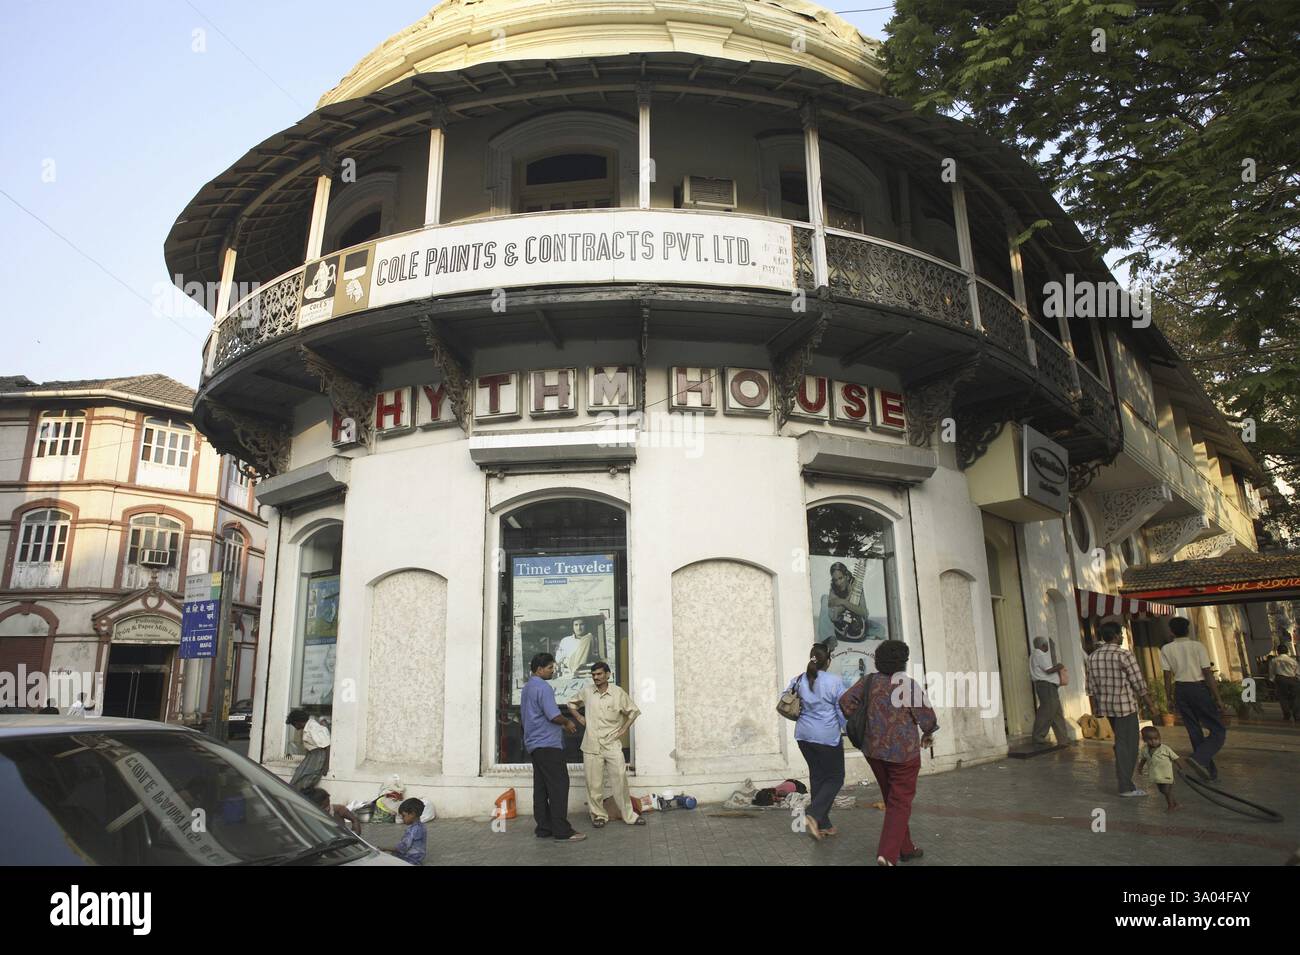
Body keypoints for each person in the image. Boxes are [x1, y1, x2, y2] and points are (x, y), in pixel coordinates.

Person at [839, 639, 937, 866]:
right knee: (900, 802)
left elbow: (845, 702)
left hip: (873, 751)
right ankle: (888, 855)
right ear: (903, 662)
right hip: (904, 755)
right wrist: (928, 732)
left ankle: (906, 848)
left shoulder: (868, 681)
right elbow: (927, 717)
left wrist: (865, 717)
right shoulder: (908, 685)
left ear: (879, 660)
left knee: (893, 799)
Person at [567, 661, 645, 829]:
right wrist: (580, 718)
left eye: (600, 674)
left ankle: (629, 816)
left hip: (611, 744)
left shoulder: (618, 693)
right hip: (591, 745)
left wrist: (624, 728)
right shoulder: (587, 692)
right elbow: (571, 704)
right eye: (594, 675)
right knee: (593, 783)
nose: (596, 677)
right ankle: (599, 815)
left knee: (620, 780)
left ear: (608, 675)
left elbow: (633, 711)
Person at [1084, 620, 1156, 797]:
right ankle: (1125, 785)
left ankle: (1125, 781)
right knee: (1128, 746)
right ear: (1115, 636)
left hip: (1107, 707)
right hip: (1125, 707)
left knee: (1122, 743)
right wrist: (1150, 704)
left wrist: (1096, 708)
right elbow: (1138, 681)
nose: (1123, 636)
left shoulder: (1093, 656)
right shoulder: (1124, 655)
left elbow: (1090, 686)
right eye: (1121, 634)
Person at [520, 652, 585, 842]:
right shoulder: (544, 687)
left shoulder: (527, 687)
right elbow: (553, 715)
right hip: (548, 744)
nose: (553, 671)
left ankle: (544, 828)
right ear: (539, 669)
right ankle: (562, 831)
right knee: (558, 787)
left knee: (541, 788)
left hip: (534, 744)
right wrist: (568, 722)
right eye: (550, 668)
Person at [789, 643, 847, 842]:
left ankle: (823, 824)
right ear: (828, 661)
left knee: (818, 777)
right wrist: (849, 730)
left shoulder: (798, 680)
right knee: (835, 777)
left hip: (803, 736)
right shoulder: (834, 681)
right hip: (827, 738)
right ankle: (813, 814)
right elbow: (842, 710)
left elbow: (785, 700)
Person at [1160, 617, 1226, 780]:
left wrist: (1168, 697)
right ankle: (1199, 759)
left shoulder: (1166, 649)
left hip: (1181, 689)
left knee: (1193, 730)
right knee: (1218, 729)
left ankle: (1208, 768)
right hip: (1198, 688)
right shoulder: (1198, 646)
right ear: (1187, 630)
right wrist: (1218, 698)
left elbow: (1167, 676)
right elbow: (1207, 673)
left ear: (1171, 631)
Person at [1029, 636, 1072, 746]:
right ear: (1043, 645)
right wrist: (1059, 666)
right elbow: (1048, 670)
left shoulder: (1036, 654)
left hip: (1049, 686)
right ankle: (1038, 736)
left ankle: (1063, 739)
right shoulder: (1039, 653)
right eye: (1046, 645)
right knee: (1047, 711)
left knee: (1057, 713)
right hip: (1046, 686)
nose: (1047, 646)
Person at [286, 709, 331, 791]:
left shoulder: (314, 727)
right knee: (297, 779)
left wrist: (326, 766)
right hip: (311, 755)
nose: (295, 727)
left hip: (318, 756)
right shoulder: (308, 728)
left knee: (306, 781)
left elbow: (327, 746)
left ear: (298, 722)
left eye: (294, 724)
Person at [1137, 726, 1180, 811]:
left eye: (1156, 738)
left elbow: (1175, 758)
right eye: (1150, 739)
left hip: (1166, 774)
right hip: (1156, 775)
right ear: (1144, 740)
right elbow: (1143, 759)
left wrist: (1180, 768)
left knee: (1166, 790)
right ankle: (1176, 804)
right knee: (1162, 791)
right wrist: (1140, 768)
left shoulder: (1165, 749)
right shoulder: (1144, 749)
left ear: (1159, 737)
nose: (1154, 741)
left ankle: (1171, 806)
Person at [1268, 643, 1299, 724]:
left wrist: (1272, 681)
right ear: (1287, 651)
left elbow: (1271, 673)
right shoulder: (1293, 661)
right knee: (1295, 698)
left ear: (1278, 652)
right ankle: (1297, 715)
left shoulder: (1274, 660)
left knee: (1283, 697)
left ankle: (1286, 714)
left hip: (1280, 679)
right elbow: (1297, 673)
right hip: (1292, 679)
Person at [391, 798, 427, 864]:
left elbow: (402, 847)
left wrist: (385, 848)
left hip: (411, 858)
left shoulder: (413, 830)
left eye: (403, 816)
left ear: (412, 814)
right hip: (418, 856)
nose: (402, 818)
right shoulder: (421, 826)